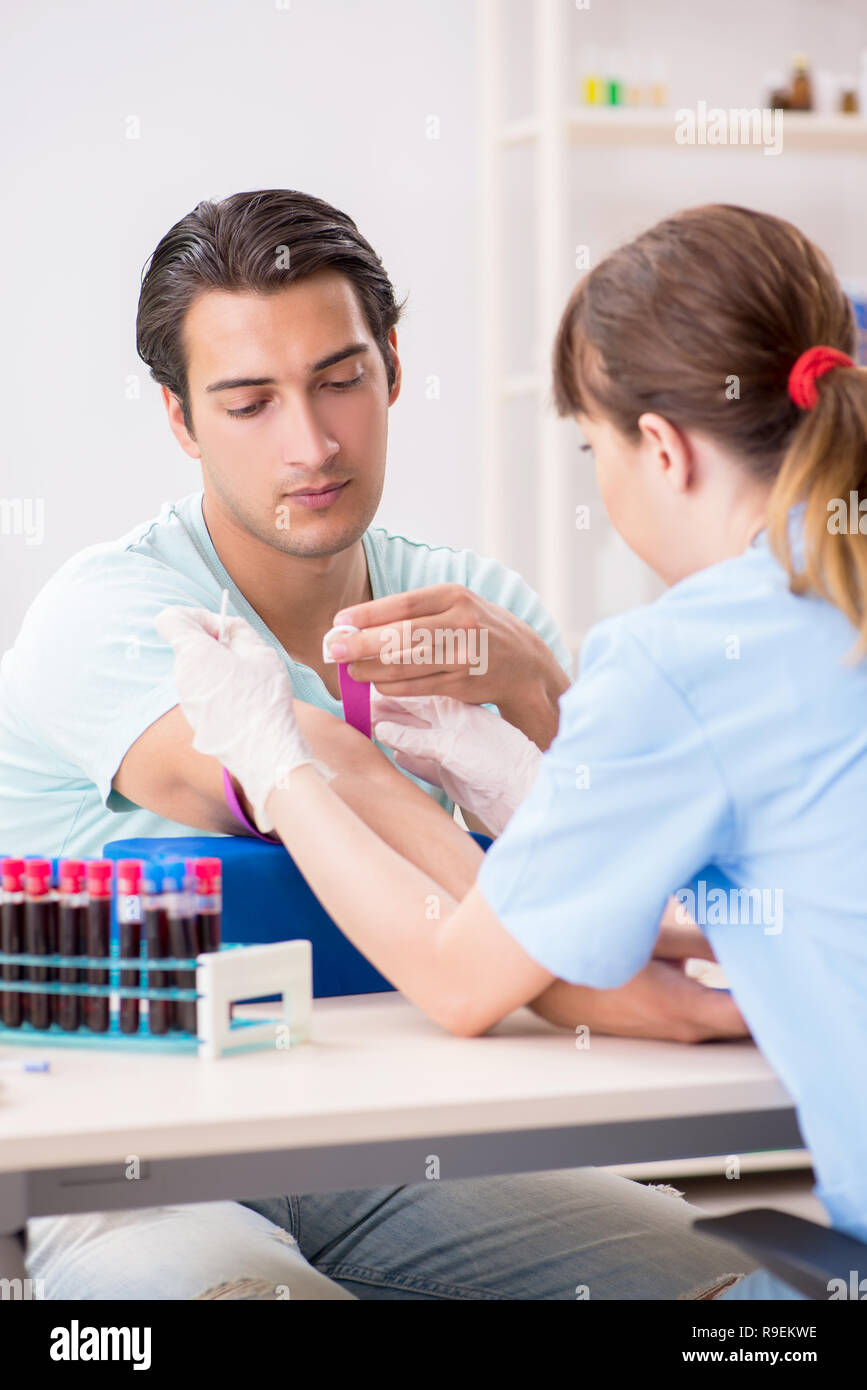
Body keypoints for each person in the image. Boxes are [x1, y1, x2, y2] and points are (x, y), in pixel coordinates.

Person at [5, 189, 746, 1299]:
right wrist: (587, 989)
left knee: (731, 1290)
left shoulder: (476, 606)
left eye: (340, 380)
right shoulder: (106, 612)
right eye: (249, 402)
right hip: (139, 1167)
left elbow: (632, 845)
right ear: (178, 417)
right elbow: (320, 774)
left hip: (402, 1150)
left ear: (394, 364)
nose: (311, 444)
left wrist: (543, 691)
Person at [158, 203, 867, 1301]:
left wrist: (273, 757)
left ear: (665, 449)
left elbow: (460, 979)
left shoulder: (685, 654)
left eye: (596, 447)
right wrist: (519, 774)